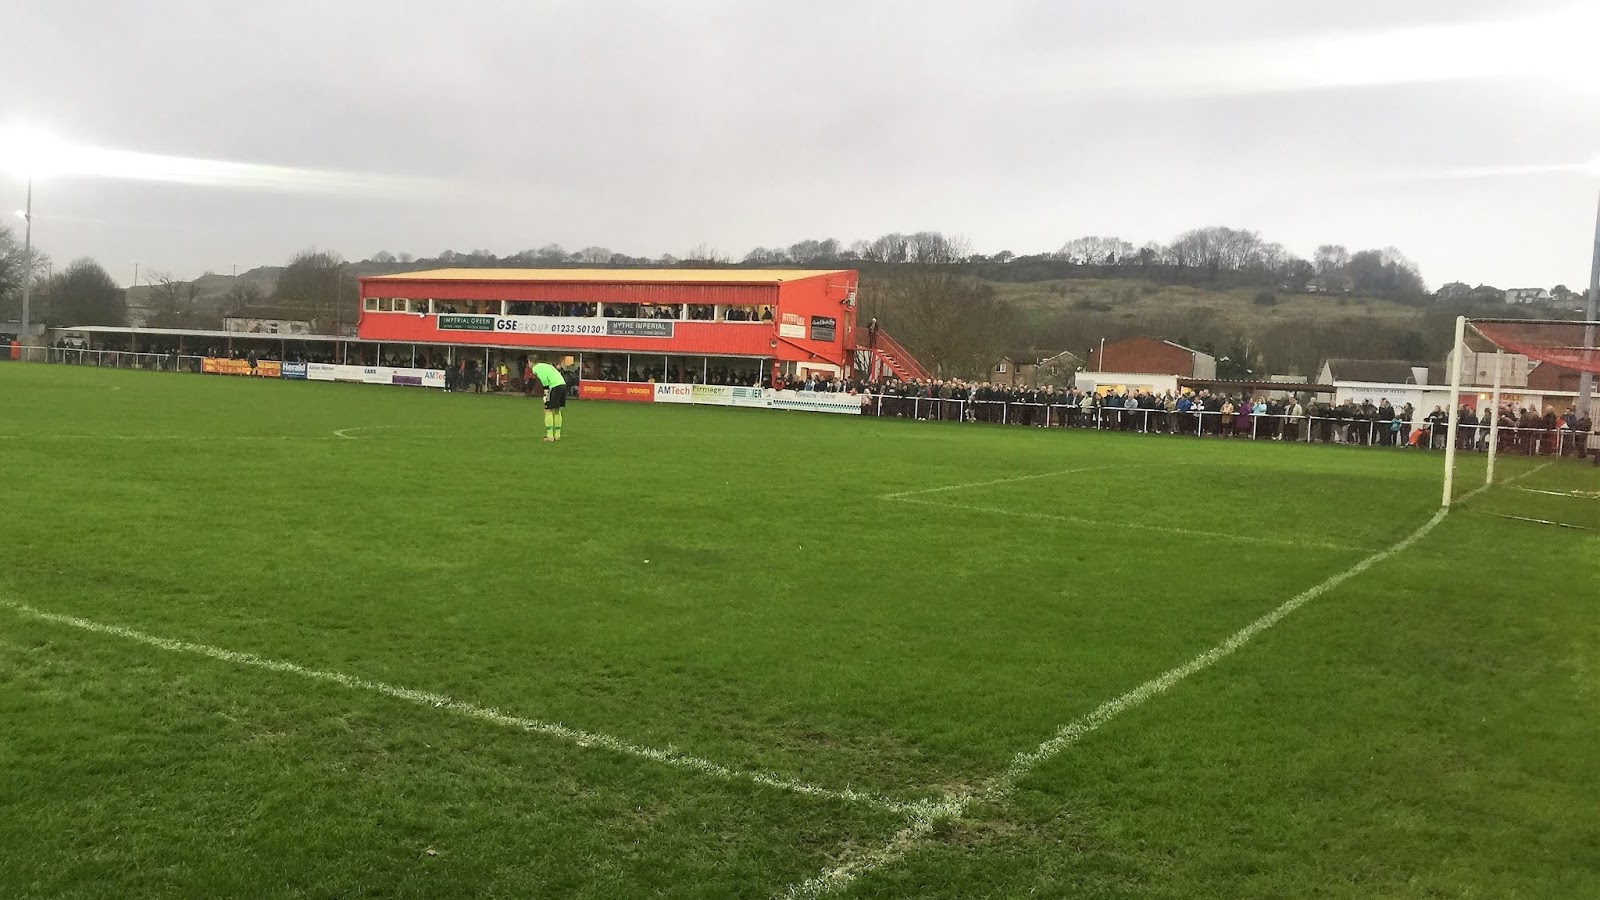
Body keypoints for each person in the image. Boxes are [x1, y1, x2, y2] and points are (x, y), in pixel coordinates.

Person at [530, 361, 569, 442]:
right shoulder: (547, 365)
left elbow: (544, 378)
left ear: (530, 362)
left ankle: (550, 436)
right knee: (557, 410)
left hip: (554, 386)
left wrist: (546, 393)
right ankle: (557, 435)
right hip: (562, 384)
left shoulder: (536, 368)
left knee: (548, 410)